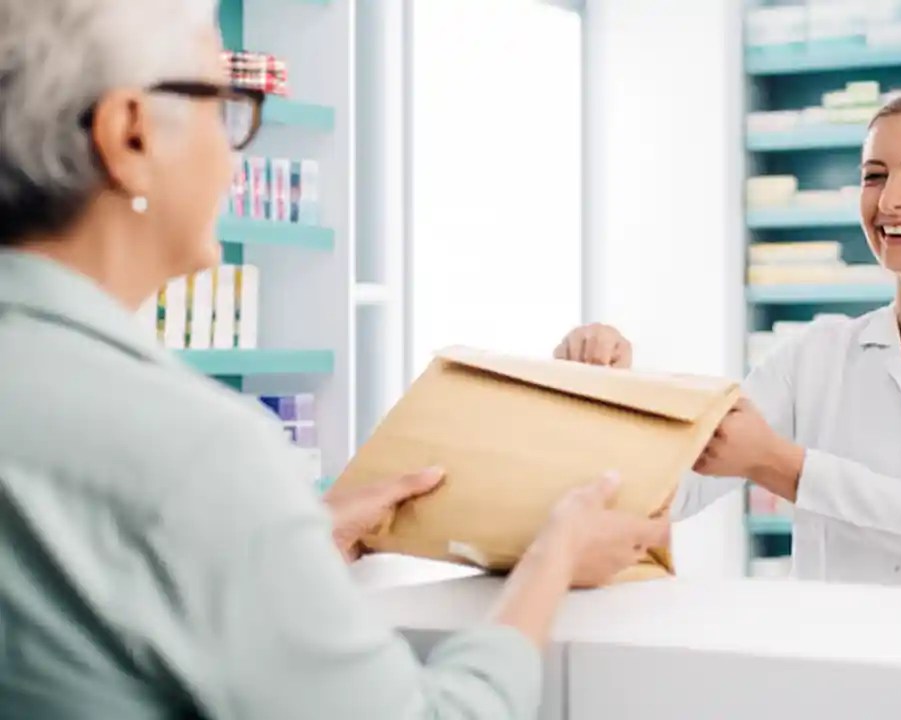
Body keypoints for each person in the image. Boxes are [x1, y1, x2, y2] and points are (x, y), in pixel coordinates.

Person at [0, 2, 666, 718]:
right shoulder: (194, 452)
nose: (233, 155)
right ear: (129, 135)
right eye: (225, 107)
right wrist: (553, 559)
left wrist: (297, 534)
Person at [558, 86, 901, 595]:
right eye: (874, 175)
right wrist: (605, 396)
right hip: (836, 667)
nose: (890, 200)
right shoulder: (813, 356)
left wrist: (783, 467)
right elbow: (677, 491)